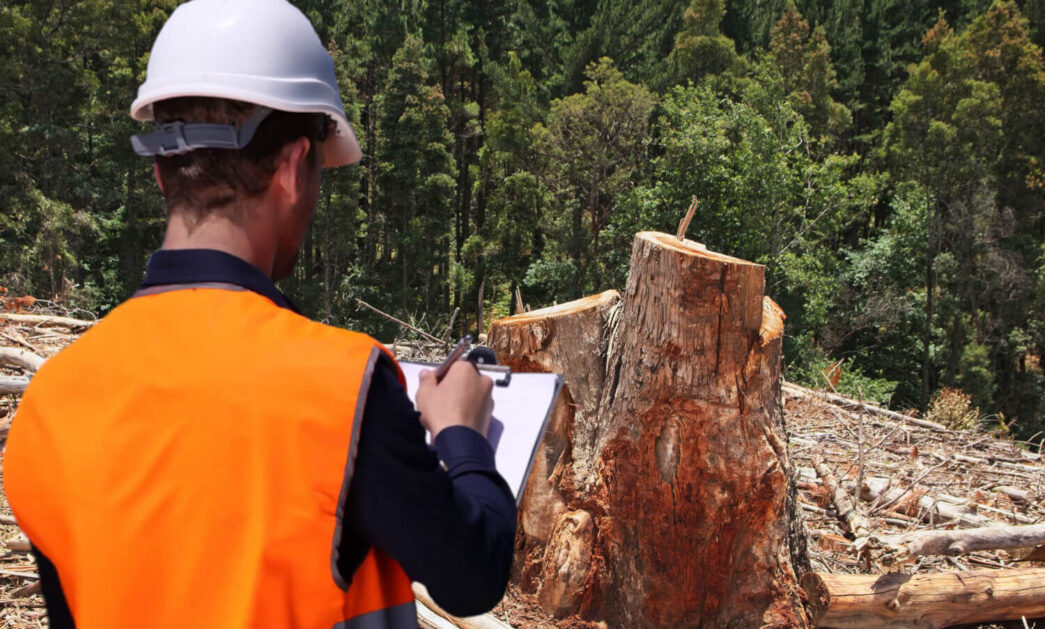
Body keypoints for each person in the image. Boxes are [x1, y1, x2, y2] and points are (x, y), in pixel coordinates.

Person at [2, 1, 516, 627]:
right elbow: (471, 575)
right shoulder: (343, 390)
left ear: (163, 173)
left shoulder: (51, 402)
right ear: (295, 168)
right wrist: (461, 435)